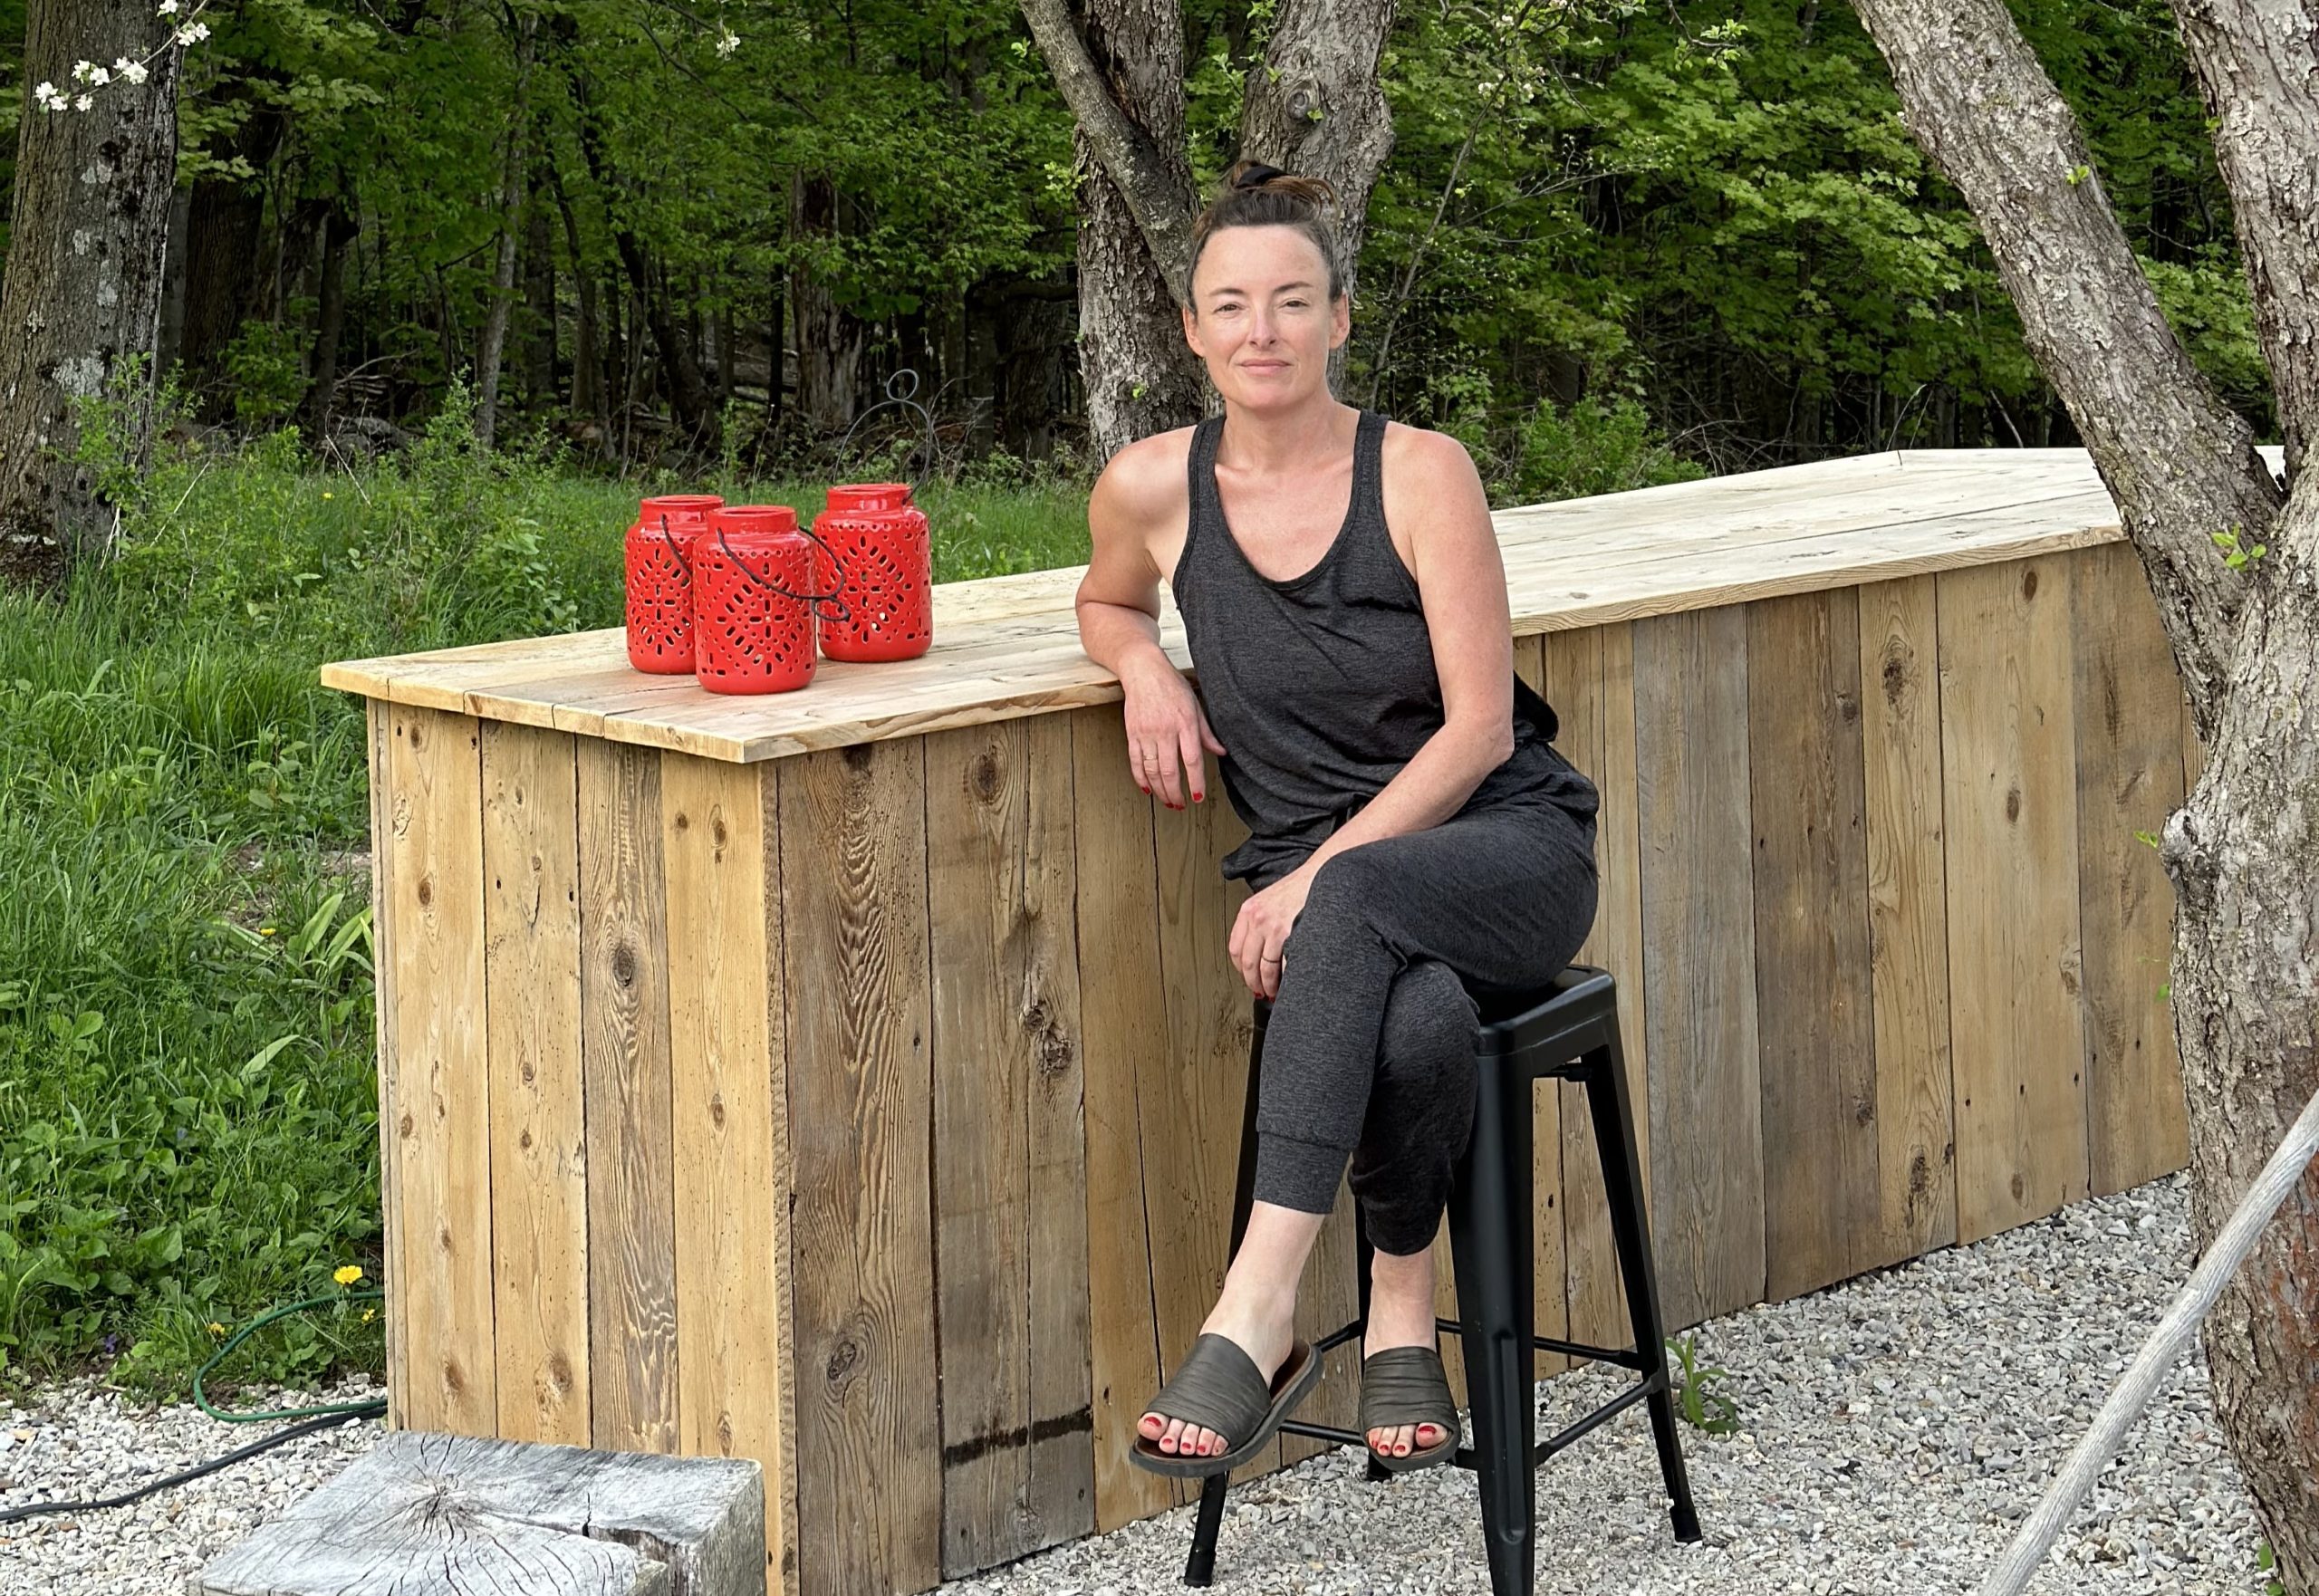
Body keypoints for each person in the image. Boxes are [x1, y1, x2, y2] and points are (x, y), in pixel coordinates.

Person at [1073, 158, 1602, 1479]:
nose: (1264, 332)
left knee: (1356, 899)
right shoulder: (1152, 487)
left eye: (1294, 302)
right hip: (1339, 900)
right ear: (1191, 329)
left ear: (1341, 318)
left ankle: (1257, 1310)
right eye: (1233, 305)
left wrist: (1317, 878)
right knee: (1413, 1020)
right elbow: (1107, 599)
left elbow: (1481, 728)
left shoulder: (1422, 474)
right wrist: (1142, 665)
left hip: (1504, 848)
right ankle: (1400, 1307)